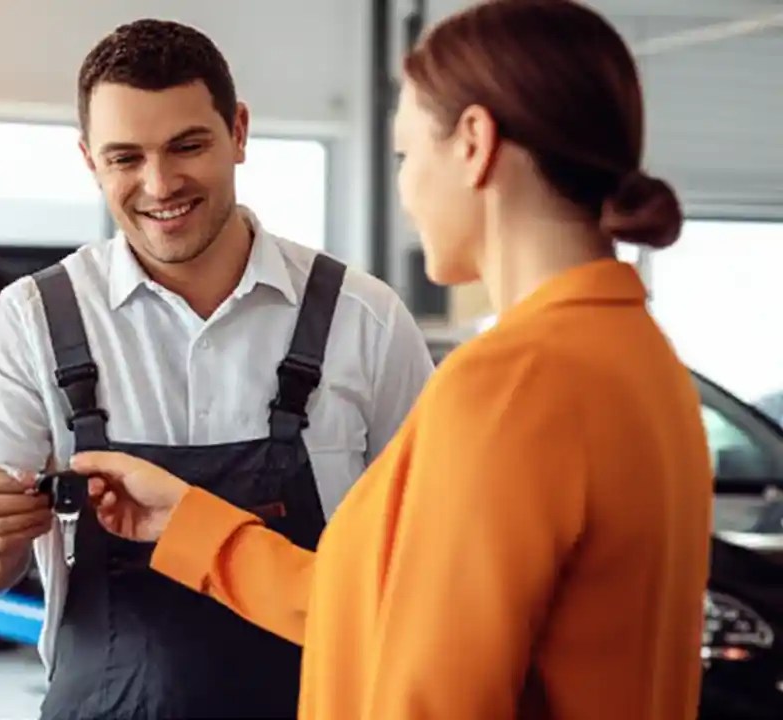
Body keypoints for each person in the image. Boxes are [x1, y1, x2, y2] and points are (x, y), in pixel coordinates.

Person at [71, 1, 715, 719]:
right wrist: (188, 523)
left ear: (473, 142)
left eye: (408, 155)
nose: (405, 192)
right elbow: (388, 613)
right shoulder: (644, 364)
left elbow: (425, 693)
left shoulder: (511, 385)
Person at [0, 18, 435, 720]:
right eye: (124, 158)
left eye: (187, 145)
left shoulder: (366, 322)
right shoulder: (30, 324)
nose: (159, 183)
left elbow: (427, 569)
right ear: (88, 160)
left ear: (240, 132)